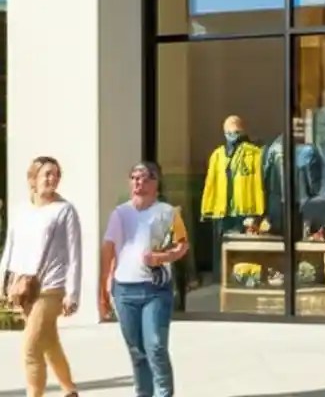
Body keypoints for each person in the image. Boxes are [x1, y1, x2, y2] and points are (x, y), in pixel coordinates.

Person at [100, 162, 189, 397]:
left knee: (156, 346)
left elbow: (182, 245)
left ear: (156, 183)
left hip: (156, 290)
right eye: (134, 177)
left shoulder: (168, 212)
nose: (139, 182)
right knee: (137, 352)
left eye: (145, 177)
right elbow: (108, 249)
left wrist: (162, 258)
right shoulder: (120, 213)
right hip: (125, 291)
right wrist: (103, 289)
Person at [0, 156, 82, 397]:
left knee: (31, 348)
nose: (52, 178)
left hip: (51, 287)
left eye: (56, 174)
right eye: (47, 173)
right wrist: (3, 281)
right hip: (24, 287)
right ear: (33, 179)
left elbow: (75, 253)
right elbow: (10, 248)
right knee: (49, 343)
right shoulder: (21, 211)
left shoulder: (64, 210)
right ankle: (70, 391)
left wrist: (73, 293)